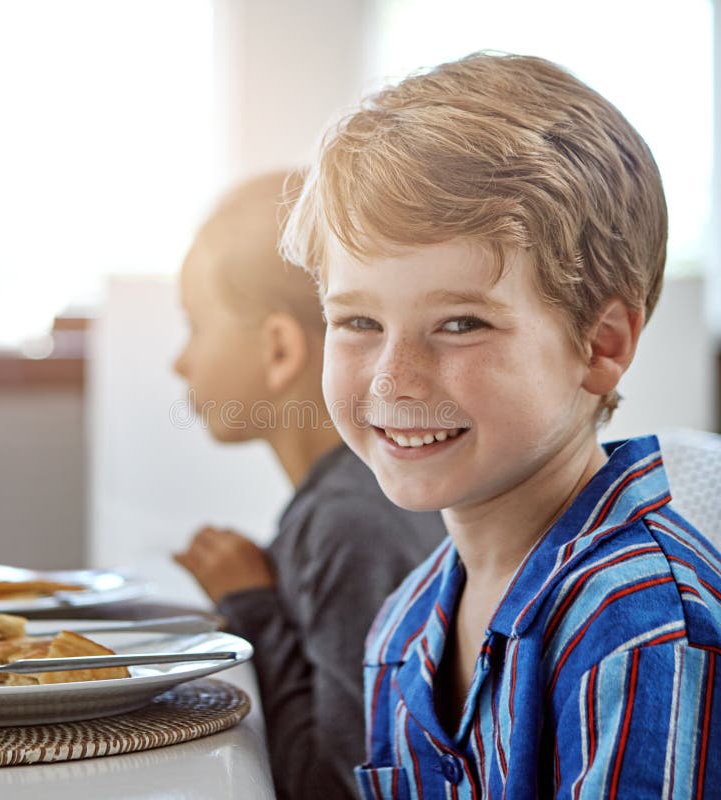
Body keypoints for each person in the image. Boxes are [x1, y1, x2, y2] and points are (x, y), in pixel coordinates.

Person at [280, 53, 721, 798]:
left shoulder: (645, 629)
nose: (393, 379)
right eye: (358, 320)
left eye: (460, 323)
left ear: (601, 344)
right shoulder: (406, 623)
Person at [171, 171, 446, 800]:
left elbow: (334, 787)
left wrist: (251, 605)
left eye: (194, 325)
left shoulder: (350, 522)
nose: (180, 362)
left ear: (278, 349)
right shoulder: (341, 502)